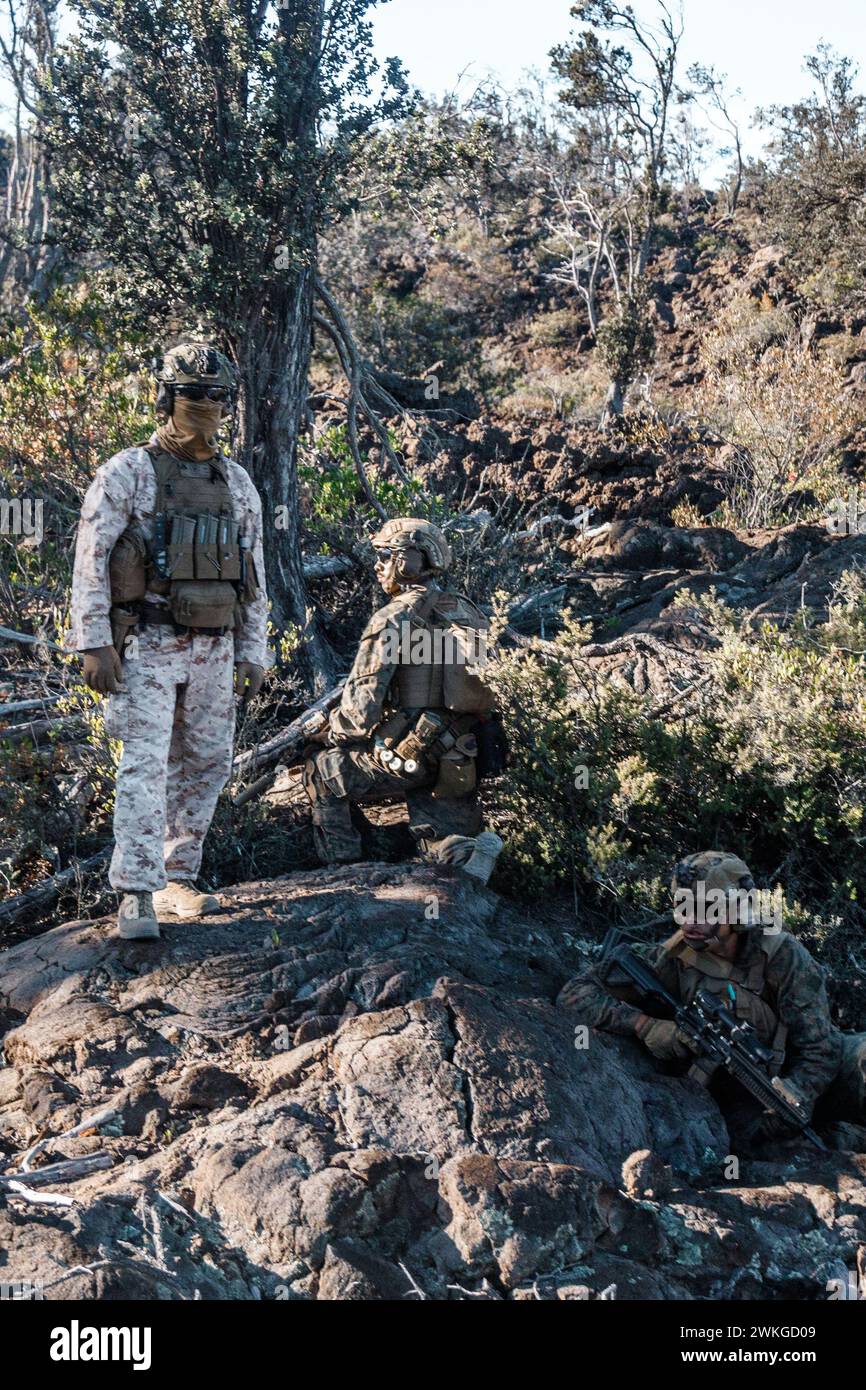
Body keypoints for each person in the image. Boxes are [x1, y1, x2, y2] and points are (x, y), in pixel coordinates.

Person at [69, 341, 269, 939]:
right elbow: (92, 556)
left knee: (207, 762)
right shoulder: (128, 470)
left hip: (214, 647)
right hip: (148, 645)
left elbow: (252, 572)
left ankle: (179, 876)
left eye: (217, 396)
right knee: (146, 767)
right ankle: (135, 893)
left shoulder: (235, 482)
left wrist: (254, 650)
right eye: (193, 394)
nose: (205, 406)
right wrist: (93, 641)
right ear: (167, 397)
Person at [558, 850, 866, 1145]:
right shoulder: (671, 959)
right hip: (741, 1101)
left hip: (814, 1078)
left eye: (705, 909)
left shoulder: (781, 954)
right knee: (755, 1144)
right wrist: (644, 1025)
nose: (689, 922)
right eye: (682, 907)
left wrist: (796, 1095)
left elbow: (820, 1050)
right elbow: (575, 994)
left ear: (735, 912)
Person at [302, 517, 506, 883]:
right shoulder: (467, 610)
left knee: (324, 771)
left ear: (411, 561)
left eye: (385, 555)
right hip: (460, 755)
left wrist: (325, 733)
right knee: (440, 844)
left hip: (409, 753)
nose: (377, 564)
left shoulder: (393, 618)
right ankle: (467, 851)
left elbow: (359, 714)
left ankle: (344, 872)